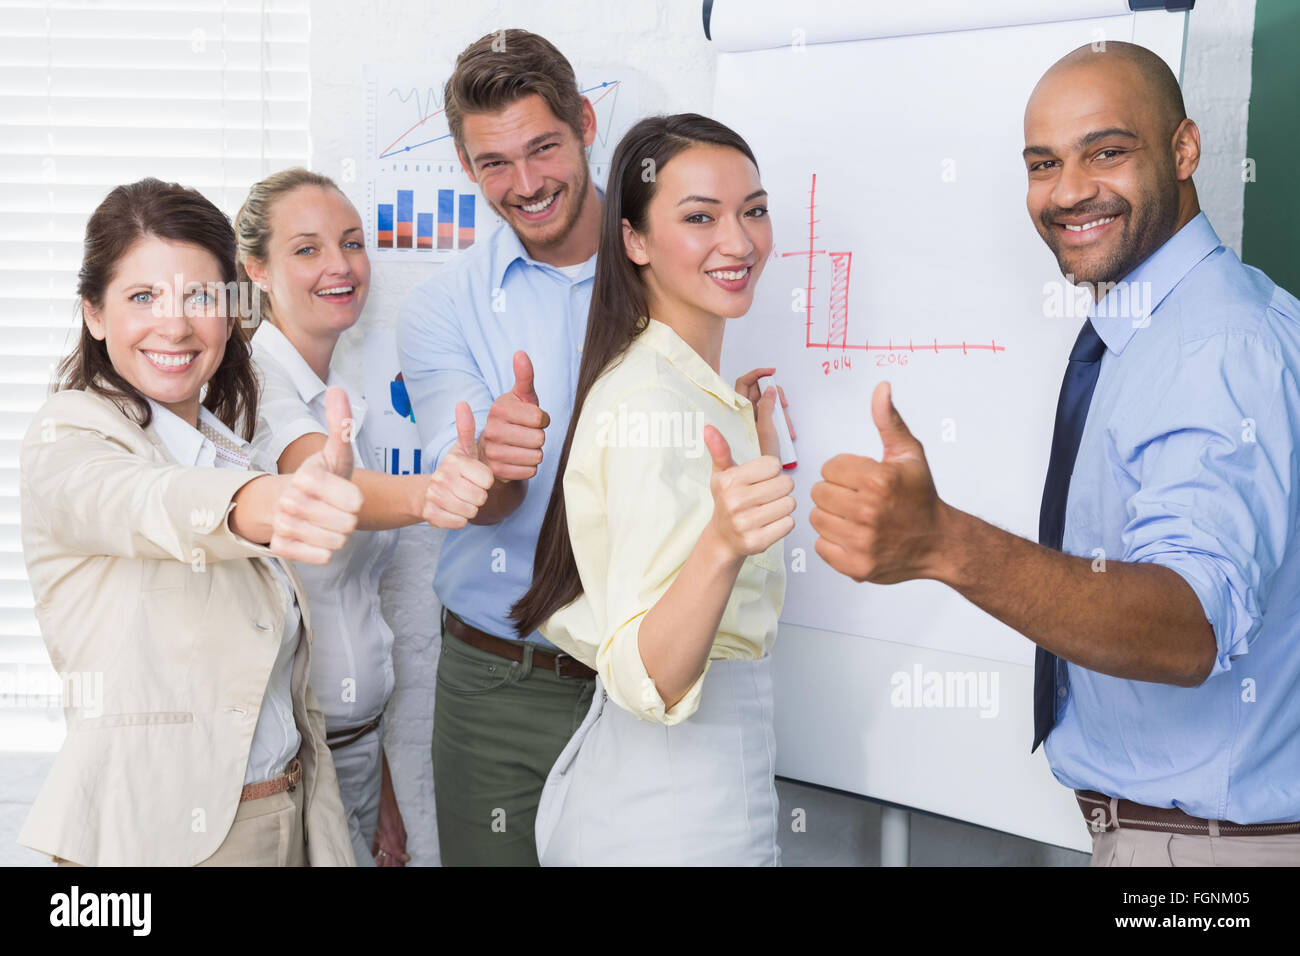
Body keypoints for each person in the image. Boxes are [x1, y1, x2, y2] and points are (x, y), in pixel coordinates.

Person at [808, 42, 1300, 866]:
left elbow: (1191, 627)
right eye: (1043, 164)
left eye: (1107, 152)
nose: (1068, 192)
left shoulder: (1214, 345)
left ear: (1184, 150)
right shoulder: (1166, 329)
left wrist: (943, 544)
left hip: (1210, 857)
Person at [18, 177, 361, 866]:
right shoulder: (68, 439)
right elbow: (146, 502)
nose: (174, 325)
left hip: (287, 816)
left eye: (199, 297)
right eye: (141, 297)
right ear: (94, 313)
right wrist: (261, 502)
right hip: (173, 839)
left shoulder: (227, 443)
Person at [510, 113, 796, 865]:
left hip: (671, 790)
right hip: (675, 804)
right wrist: (724, 541)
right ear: (634, 241)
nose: (738, 242)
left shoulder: (684, 393)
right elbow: (649, 676)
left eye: (754, 211)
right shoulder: (654, 406)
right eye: (700, 217)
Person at [236, 168, 493, 866]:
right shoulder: (253, 382)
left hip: (352, 747)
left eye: (351, 243)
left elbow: (340, 605)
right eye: (308, 249)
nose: (341, 265)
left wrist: (379, 786)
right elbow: (315, 479)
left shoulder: (340, 394)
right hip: (295, 767)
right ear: (255, 268)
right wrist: (429, 494)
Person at [395, 29, 604, 866]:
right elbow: (479, 496)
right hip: (502, 684)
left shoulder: (671, 265)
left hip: (655, 675)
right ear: (463, 164)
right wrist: (492, 464)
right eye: (494, 164)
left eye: (543, 147)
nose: (525, 185)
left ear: (585, 122)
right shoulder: (441, 311)